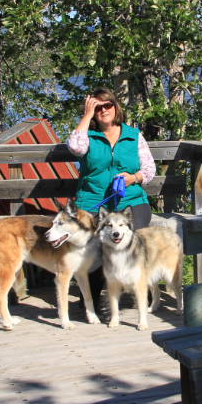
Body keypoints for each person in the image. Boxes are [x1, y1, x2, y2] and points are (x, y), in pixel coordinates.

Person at [66, 87, 156, 310]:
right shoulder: (88, 135)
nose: (104, 110)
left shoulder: (133, 135)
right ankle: (90, 299)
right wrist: (86, 115)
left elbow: (150, 169)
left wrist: (132, 178)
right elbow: (75, 148)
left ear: (116, 108)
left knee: (137, 244)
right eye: (98, 107)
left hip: (131, 201)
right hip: (92, 202)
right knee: (93, 249)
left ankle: (143, 293)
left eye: (108, 105)